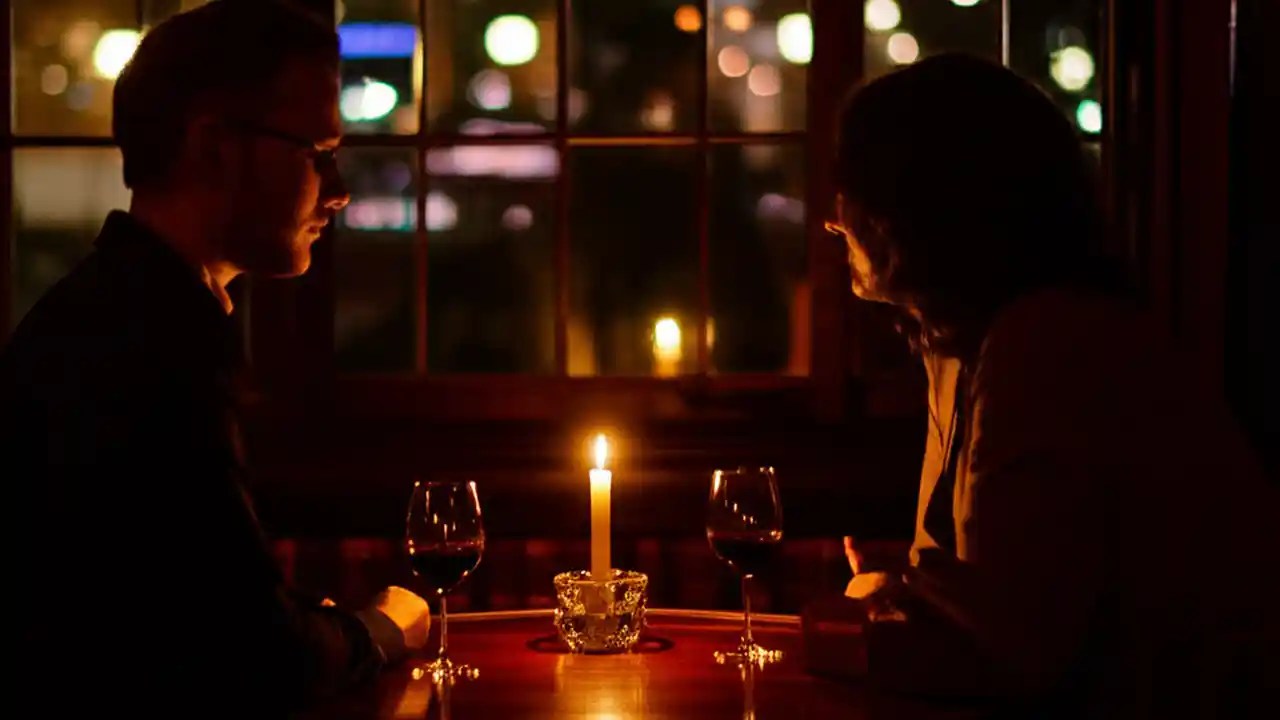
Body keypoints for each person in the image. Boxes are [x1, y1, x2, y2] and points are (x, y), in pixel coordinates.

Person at [0, 1, 429, 714]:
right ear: (213, 147)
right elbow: (254, 653)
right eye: (317, 154)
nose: (342, 190)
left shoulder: (122, 313)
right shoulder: (145, 351)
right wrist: (383, 629)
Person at [827, 55, 1278, 718]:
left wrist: (905, 588)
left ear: (912, 209)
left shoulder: (1047, 342)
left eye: (854, 187)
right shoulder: (964, 343)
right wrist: (918, 584)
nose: (834, 219)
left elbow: (1022, 643)